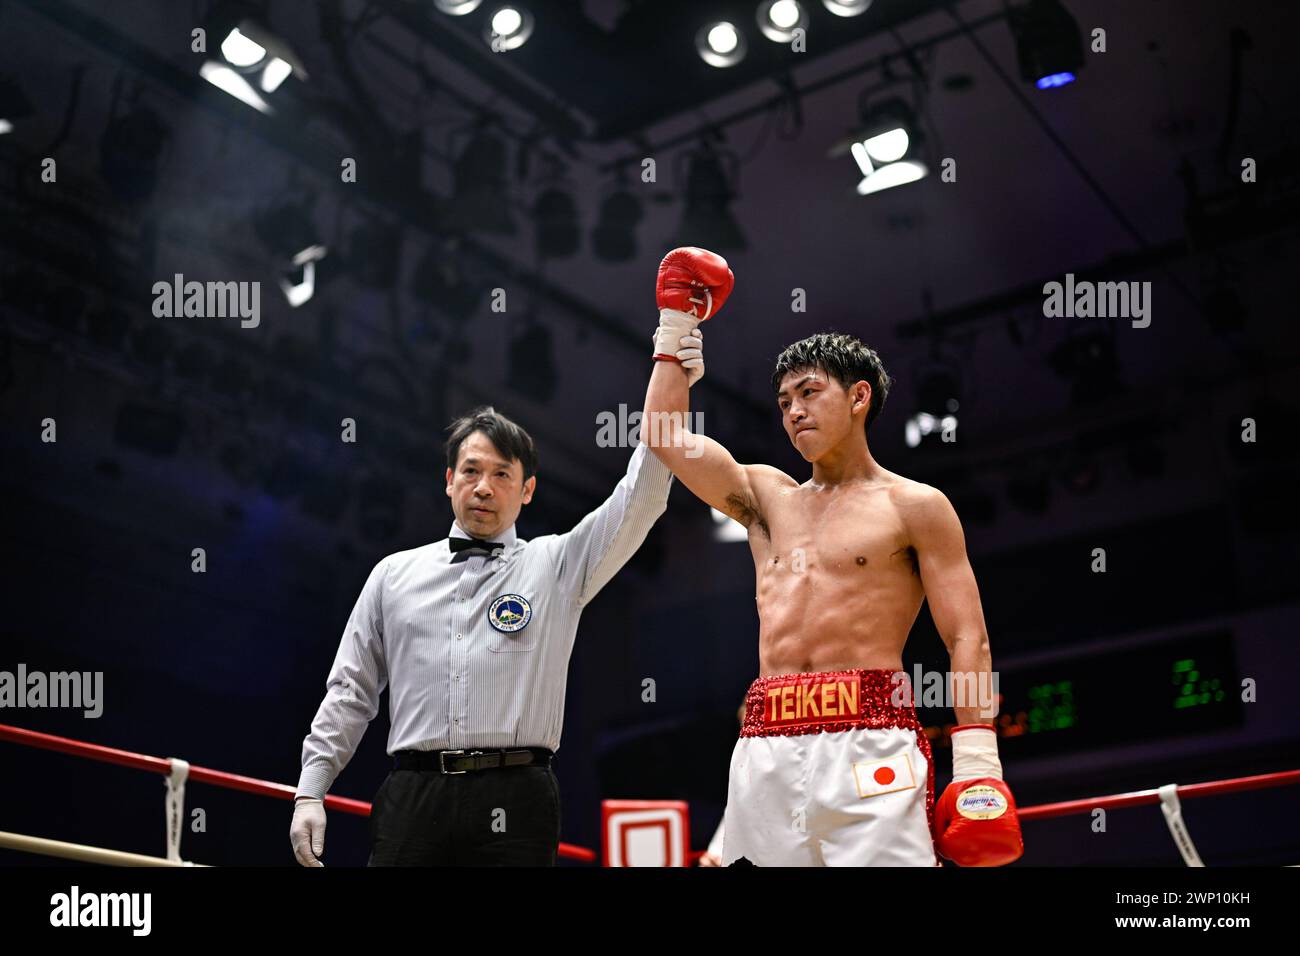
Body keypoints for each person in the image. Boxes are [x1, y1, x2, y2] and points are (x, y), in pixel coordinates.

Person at [643, 247, 1023, 866]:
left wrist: (978, 760)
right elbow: (663, 436)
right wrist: (675, 329)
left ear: (859, 397)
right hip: (766, 739)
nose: (794, 410)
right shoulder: (767, 497)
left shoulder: (915, 506)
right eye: (784, 401)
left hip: (872, 739)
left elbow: (966, 637)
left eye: (810, 392)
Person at [290, 405, 680, 866]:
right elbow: (350, 692)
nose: (483, 487)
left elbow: (641, 500)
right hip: (414, 797)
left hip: (516, 801)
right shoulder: (392, 575)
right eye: (472, 471)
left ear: (527, 489)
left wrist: (670, 372)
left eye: (501, 474)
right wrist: (310, 791)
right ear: (449, 479)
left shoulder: (556, 566)